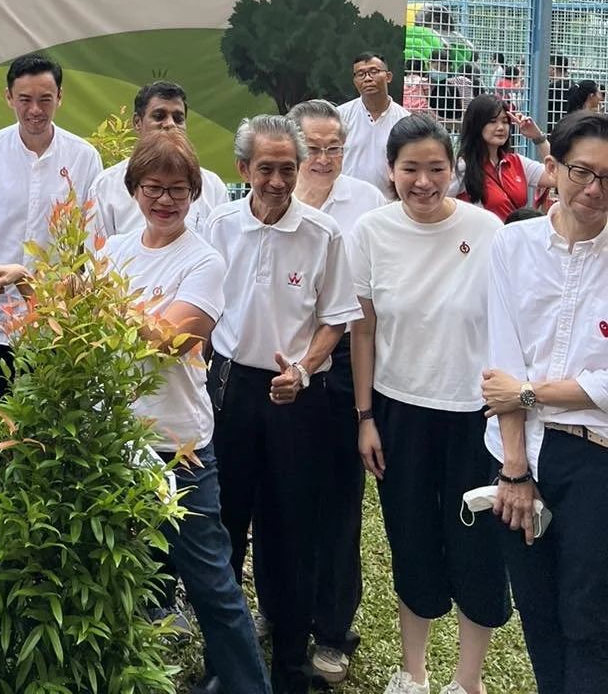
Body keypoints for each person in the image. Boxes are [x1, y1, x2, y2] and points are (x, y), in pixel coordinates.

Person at [0, 130, 273, 694]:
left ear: (195, 193)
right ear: (133, 190)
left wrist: (90, 309)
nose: (165, 199)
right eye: (153, 187)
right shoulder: (116, 250)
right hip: (111, 440)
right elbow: (72, 306)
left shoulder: (205, 260)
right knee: (109, 573)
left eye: (178, 189)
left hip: (177, 448)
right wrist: (28, 277)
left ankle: (245, 685)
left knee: (211, 580)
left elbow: (170, 336)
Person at [349, 114, 509, 694]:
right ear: (390, 172)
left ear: (454, 169)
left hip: (475, 414)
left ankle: (468, 682)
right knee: (410, 537)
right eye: (409, 169)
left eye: (435, 169)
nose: (423, 181)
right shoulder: (369, 231)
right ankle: (411, 674)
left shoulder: (487, 229)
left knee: (477, 543)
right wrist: (366, 418)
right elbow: (362, 331)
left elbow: (507, 328)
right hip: (400, 411)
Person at [203, 115, 361, 694]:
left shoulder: (323, 234)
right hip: (227, 391)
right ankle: (223, 663)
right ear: (242, 169)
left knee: (294, 529)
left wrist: (303, 368)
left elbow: (333, 320)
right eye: (264, 168)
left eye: (286, 169)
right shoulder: (217, 224)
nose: (276, 181)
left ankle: (291, 664)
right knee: (225, 527)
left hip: (294, 393)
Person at [481, 110, 608, 694]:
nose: (595, 190)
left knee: (589, 618)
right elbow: (500, 360)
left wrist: (531, 392)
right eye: (583, 172)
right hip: (519, 451)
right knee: (536, 609)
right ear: (552, 168)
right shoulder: (513, 244)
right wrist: (514, 470)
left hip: (594, 459)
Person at [286, 99, 386, 686]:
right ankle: (283, 613)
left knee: (339, 505)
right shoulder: (272, 194)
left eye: (333, 148)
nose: (322, 160)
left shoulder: (367, 203)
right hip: (277, 366)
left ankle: (332, 630)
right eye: (313, 148)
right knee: (281, 497)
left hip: (345, 362)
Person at [0, 52, 102, 394]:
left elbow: (90, 245)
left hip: (54, 324)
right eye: (24, 99)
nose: (35, 110)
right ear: (8, 97)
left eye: (45, 99)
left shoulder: (84, 157)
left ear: (60, 97)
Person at [86, 81, 228, 237]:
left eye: (178, 118)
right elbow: (96, 257)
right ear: (137, 122)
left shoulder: (212, 187)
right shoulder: (106, 186)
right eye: (159, 116)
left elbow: (224, 249)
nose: (169, 124)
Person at [453, 94, 553, 222]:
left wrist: (538, 138)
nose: (501, 127)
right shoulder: (462, 168)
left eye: (505, 121)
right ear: (476, 125)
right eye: (492, 121)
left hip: (514, 240)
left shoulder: (517, 163)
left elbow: (559, 174)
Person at [337, 51, 411, 198]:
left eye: (374, 72)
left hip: (388, 202)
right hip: (346, 199)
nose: (368, 79)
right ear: (355, 81)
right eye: (360, 74)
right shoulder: (340, 116)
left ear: (388, 77)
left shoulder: (405, 121)